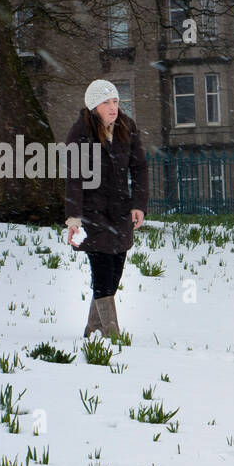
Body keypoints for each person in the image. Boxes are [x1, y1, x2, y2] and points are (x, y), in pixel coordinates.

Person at [64, 80, 148, 338]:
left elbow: (140, 168)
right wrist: (74, 218)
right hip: (93, 214)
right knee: (102, 273)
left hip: (121, 211)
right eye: (106, 103)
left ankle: (92, 329)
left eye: (115, 101)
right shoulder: (79, 134)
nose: (113, 107)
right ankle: (111, 332)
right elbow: (74, 179)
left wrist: (138, 205)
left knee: (115, 274)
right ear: (93, 107)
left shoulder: (127, 127)